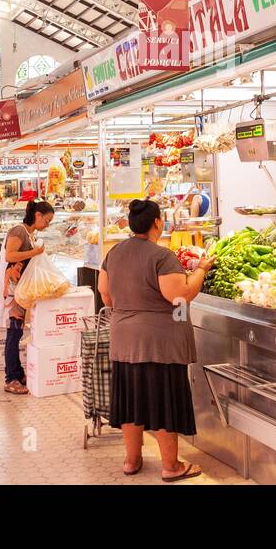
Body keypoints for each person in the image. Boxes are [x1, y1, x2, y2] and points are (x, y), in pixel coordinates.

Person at [97, 199, 213, 482]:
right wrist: (201, 270)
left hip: (124, 340)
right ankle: (171, 466)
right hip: (159, 343)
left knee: (131, 402)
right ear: (157, 223)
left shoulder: (113, 253)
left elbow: (105, 294)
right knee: (161, 399)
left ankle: (131, 460)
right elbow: (179, 296)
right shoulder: (162, 256)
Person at [0, 200, 55, 395]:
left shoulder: (29, 234)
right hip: (10, 289)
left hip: (19, 289)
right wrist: (36, 251)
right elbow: (10, 256)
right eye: (47, 220)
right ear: (38, 215)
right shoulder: (18, 231)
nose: (47, 225)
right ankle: (11, 378)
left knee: (16, 333)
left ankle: (18, 372)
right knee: (13, 334)